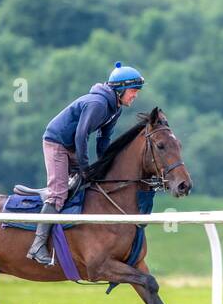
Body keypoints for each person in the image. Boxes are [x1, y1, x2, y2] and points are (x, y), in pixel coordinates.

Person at [26, 62, 145, 266]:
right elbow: (82, 135)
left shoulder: (115, 109)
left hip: (71, 145)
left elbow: (103, 141)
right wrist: (84, 167)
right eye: (133, 91)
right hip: (57, 143)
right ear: (120, 90)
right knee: (59, 193)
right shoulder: (98, 104)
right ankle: (37, 246)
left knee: (88, 183)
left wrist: (105, 166)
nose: (135, 96)